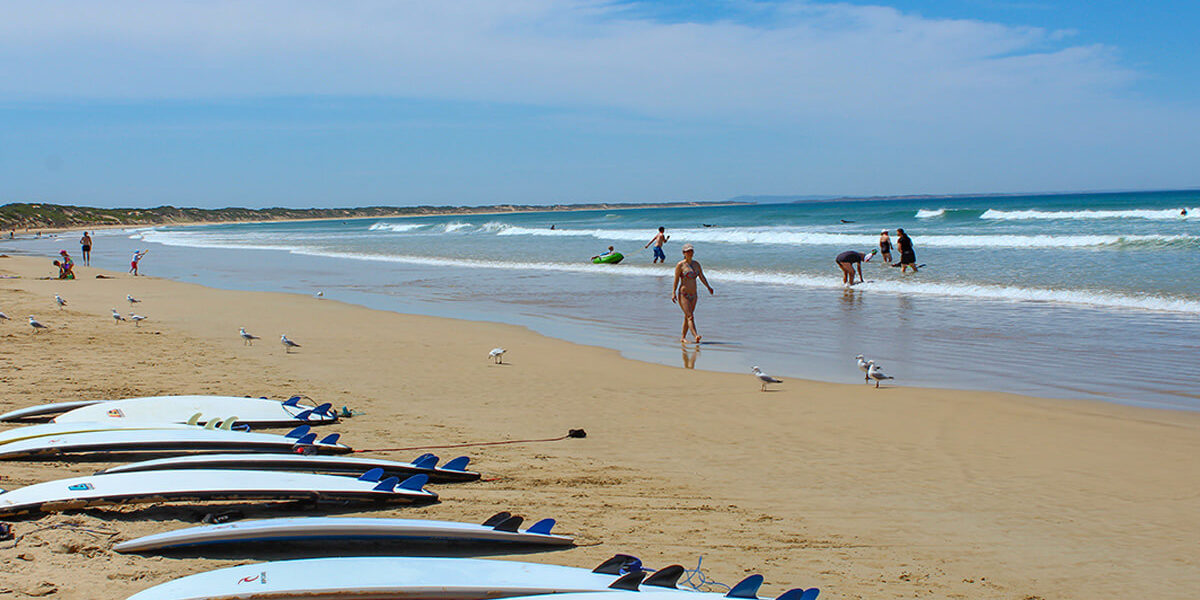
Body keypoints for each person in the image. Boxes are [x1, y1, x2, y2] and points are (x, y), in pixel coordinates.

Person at [671, 243, 713, 344]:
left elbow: (702, 277)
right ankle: (696, 335)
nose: (690, 253)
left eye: (691, 251)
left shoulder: (696, 264)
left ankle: (683, 337)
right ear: (683, 253)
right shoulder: (680, 265)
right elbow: (676, 280)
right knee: (690, 316)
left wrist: (708, 287)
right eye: (687, 251)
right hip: (683, 294)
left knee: (687, 316)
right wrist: (673, 293)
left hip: (694, 295)